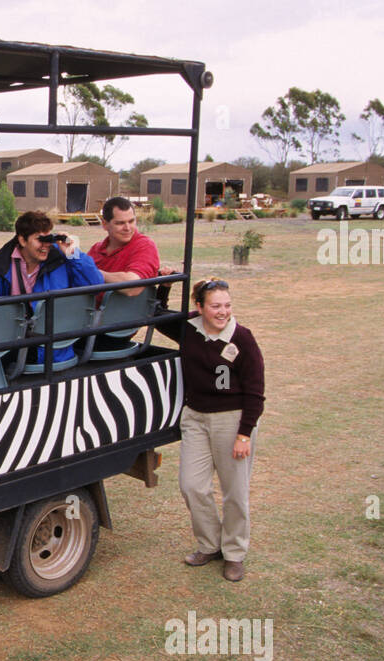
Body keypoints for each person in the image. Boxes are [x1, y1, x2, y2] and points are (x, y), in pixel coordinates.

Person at [172, 278, 265, 583]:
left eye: (227, 305)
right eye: (215, 305)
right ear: (199, 307)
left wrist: (244, 434)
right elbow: (158, 314)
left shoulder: (242, 339)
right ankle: (210, 545)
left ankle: (235, 553)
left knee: (235, 492)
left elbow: (255, 392)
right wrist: (165, 283)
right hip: (196, 418)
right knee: (192, 485)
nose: (222, 311)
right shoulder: (189, 329)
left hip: (232, 419)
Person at [0, 210, 103, 366]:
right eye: (39, 239)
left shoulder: (60, 260)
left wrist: (73, 253)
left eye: (48, 239)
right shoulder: (0, 268)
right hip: (14, 348)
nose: (46, 245)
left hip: (55, 350)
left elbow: (96, 284)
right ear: (22, 240)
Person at [87, 196, 163, 352]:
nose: (128, 228)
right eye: (120, 223)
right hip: (87, 320)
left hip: (114, 328)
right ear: (105, 225)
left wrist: (93, 273)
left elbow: (132, 287)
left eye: (131, 221)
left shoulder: (144, 246)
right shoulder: (96, 249)